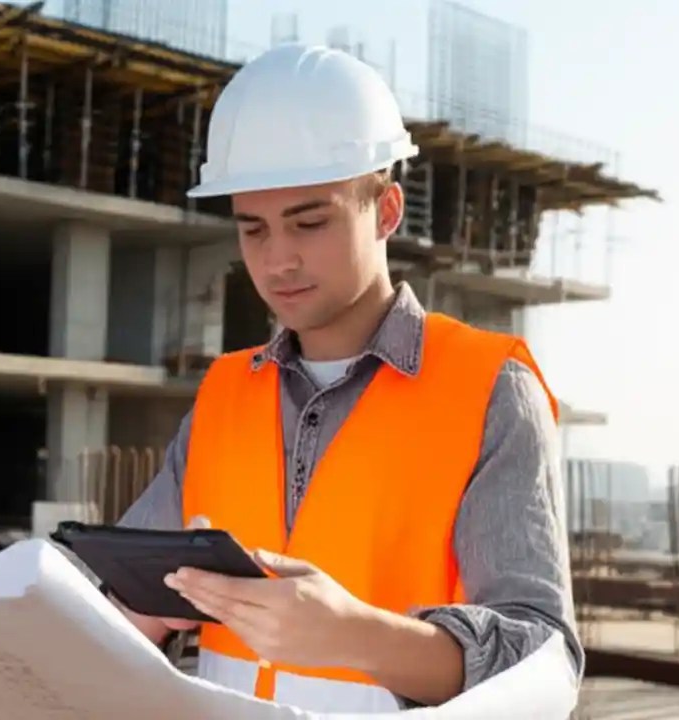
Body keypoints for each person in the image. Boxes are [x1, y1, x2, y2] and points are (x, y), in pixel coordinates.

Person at [110, 43, 581, 713]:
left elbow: (542, 661)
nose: (278, 261)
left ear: (386, 210)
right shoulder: (223, 396)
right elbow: (126, 607)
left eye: (309, 222)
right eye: (254, 230)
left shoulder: (489, 389)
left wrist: (356, 636)